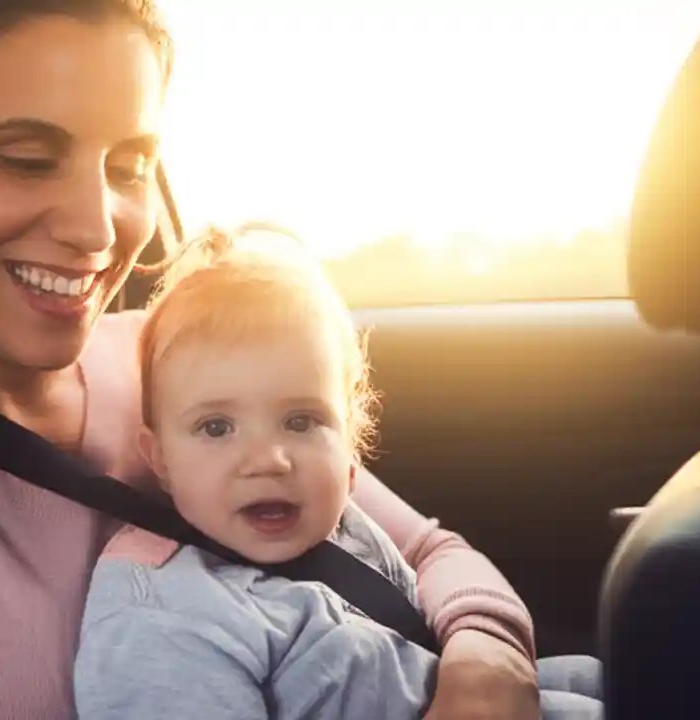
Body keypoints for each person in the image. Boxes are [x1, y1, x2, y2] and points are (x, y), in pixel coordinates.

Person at [0, 1, 557, 718]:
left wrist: (485, 669)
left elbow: (426, 554)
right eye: (27, 158)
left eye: (130, 164)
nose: (97, 226)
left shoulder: (160, 349)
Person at [72, 228, 604, 718]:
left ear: (350, 448)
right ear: (159, 458)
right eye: (216, 427)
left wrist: (487, 655)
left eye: (300, 421)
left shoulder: (344, 523)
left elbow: (435, 555)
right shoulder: (162, 619)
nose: (269, 460)